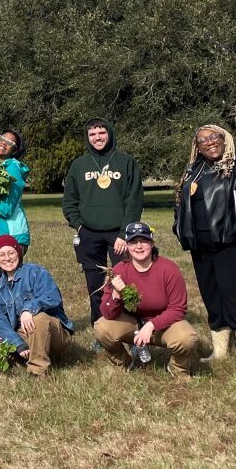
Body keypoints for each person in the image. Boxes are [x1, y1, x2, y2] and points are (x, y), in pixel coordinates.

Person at [171, 123, 236, 372]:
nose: (210, 142)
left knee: (231, 293)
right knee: (211, 294)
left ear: (225, 140)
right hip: (199, 245)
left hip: (231, 242)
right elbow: (180, 203)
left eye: (215, 137)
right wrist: (179, 227)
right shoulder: (193, 171)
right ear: (197, 146)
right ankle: (220, 351)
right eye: (203, 140)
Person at [60, 119, 145, 327]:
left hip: (118, 235)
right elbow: (69, 201)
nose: (97, 138)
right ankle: (99, 327)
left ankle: (129, 326)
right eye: (92, 134)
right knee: (95, 285)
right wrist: (79, 226)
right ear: (87, 138)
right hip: (89, 234)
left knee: (124, 283)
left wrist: (125, 233)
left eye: (101, 133)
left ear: (110, 134)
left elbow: (134, 200)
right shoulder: (79, 165)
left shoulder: (125, 162)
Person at [94, 221, 198, 380]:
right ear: (127, 246)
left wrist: (151, 325)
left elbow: (178, 309)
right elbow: (107, 312)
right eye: (134, 242)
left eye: (144, 241)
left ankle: (178, 369)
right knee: (102, 326)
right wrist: (115, 295)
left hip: (162, 325)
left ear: (152, 243)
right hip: (132, 325)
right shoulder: (119, 270)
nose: (139, 246)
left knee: (186, 337)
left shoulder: (169, 269)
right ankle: (123, 363)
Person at [0, 235, 73, 375]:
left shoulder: (35, 272)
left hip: (53, 332)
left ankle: (37, 369)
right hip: (24, 333)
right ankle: (25, 353)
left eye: (11, 253)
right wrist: (17, 343)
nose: (7, 258)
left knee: (39, 318)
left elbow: (53, 296)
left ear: (18, 253)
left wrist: (29, 309)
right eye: (1, 254)